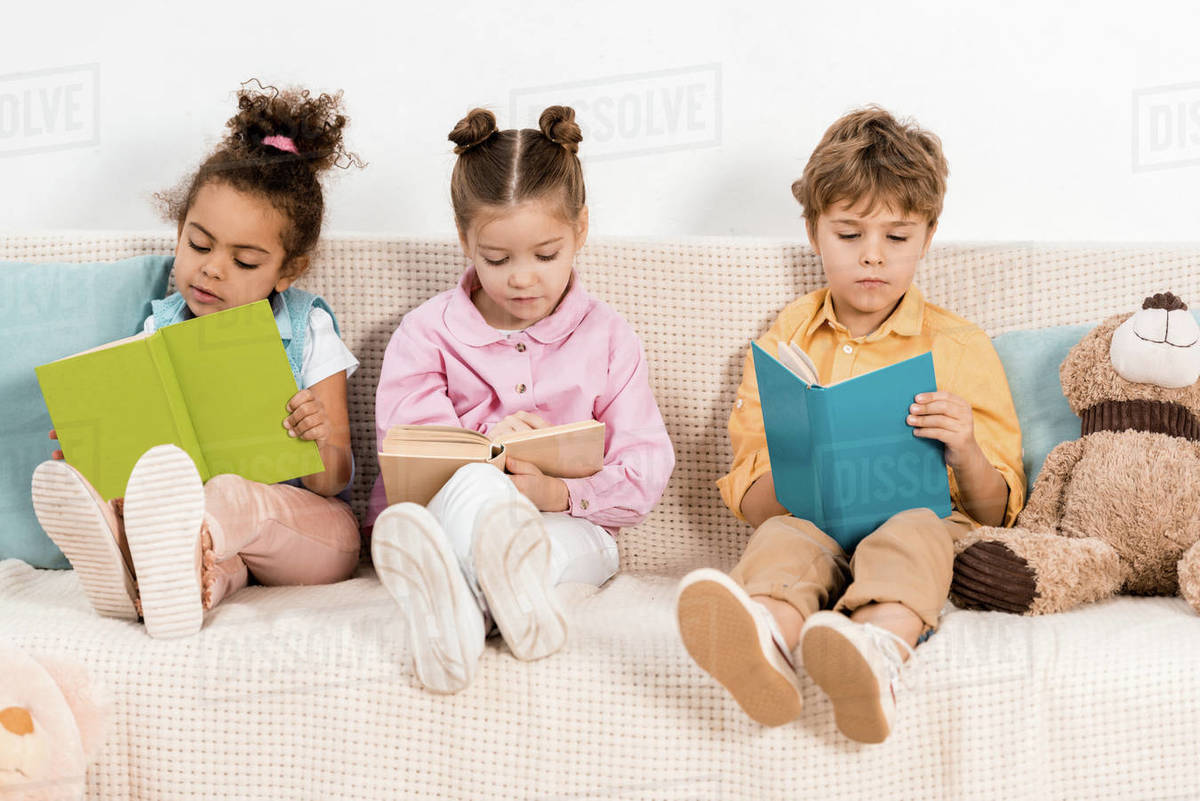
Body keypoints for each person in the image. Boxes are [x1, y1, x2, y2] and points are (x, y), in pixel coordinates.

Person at [676, 106, 1025, 743]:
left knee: (916, 530)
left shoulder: (960, 344)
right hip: (812, 519)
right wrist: (800, 467)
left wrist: (965, 447)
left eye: (896, 238)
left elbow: (997, 509)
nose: (872, 259)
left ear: (927, 235)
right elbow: (749, 487)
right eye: (849, 235)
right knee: (784, 537)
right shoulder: (789, 335)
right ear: (813, 232)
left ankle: (877, 652)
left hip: (916, 521)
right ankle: (768, 640)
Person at [32, 80, 364, 639]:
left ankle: (153, 543)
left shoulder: (306, 326)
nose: (211, 270)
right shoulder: (158, 327)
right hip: (207, 536)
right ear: (179, 231)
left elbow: (334, 479)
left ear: (288, 270)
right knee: (204, 552)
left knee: (228, 498)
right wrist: (95, 448)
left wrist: (317, 437)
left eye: (245, 260)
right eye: (199, 245)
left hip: (307, 531)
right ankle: (170, 583)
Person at [367, 106, 675, 694]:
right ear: (465, 240)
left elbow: (644, 468)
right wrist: (490, 453)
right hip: (450, 517)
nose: (523, 279)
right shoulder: (425, 335)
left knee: (558, 549)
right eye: (497, 259)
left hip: (571, 525)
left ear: (581, 229)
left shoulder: (608, 336)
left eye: (546, 254)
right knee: (482, 492)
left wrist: (556, 492)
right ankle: (491, 602)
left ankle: (464, 612)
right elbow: (414, 458)